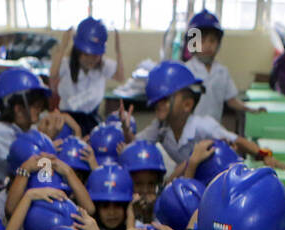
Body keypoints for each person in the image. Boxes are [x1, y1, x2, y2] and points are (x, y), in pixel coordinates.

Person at [134, 62, 273, 179]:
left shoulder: (203, 126)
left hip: (215, 176)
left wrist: (264, 155)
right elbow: (136, 142)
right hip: (190, 175)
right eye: (156, 102)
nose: (159, 105)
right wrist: (126, 129)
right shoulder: (160, 127)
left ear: (187, 105)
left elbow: (238, 140)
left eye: (165, 100)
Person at [0, 68, 79, 193]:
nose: (40, 111)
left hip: (0, 182)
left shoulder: (21, 123)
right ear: (18, 109)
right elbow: (25, 163)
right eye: (36, 106)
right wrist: (47, 141)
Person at [181, 10, 265, 124]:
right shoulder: (186, 70)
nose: (207, 45)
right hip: (189, 131)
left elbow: (231, 100)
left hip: (214, 129)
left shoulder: (222, 72)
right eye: (202, 40)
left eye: (212, 41)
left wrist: (251, 109)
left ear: (218, 44)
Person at [49, 17, 124, 136]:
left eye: (95, 56)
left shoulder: (102, 65)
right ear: (78, 51)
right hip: (67, 119)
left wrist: (118, 50)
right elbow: (53, 74)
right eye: (86, 54)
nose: (90, 60)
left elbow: (120, 77)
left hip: (91, 119)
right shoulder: (67, 64)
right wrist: (63, 46)